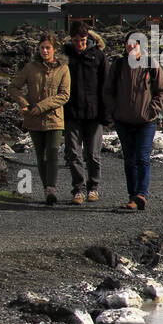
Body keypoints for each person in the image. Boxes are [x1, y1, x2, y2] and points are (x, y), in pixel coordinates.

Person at [105, 33, 163, 210]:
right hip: (123, 121)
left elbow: (162, 92)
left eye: (135, 44)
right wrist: (114, 111)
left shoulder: (151, 65)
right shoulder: (118, 66)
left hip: (146, 122)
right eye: (128, 44)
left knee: (142, 158)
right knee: (129, 160)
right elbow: (108, 91)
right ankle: (133, 196)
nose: (131, 47)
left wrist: (151, 110)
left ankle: (142, 194)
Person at [9, 34, 71, 205]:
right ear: (38, 49)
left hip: (54, 118)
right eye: (42, 47)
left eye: (48, 48)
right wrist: (24, 103)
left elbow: (64, 95)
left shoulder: (63, 68)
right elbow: (13, 87)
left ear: (54, 49)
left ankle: (51, 188)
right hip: (33, 120)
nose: (44, 50)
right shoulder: (30, 67)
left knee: (52, 152)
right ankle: (47, 189)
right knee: (40, 155)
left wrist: (41, 106)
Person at [61, 20, 110, 204]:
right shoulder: (65, 56)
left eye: (82, 40)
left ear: (87, 37)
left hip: (94, 114)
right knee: (73, 153)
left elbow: (106, 86)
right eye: (75, 40)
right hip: (71, 113)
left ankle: (93, 187)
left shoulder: (98, 56)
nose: (79, 44)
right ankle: (78, 189)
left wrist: (106, 114)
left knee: (92, 154)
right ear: (71, 39)